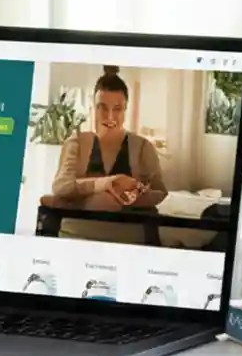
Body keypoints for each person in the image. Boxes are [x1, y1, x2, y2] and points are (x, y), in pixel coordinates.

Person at [48, 66, 168, 243]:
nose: (110, 116)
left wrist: (122, 199)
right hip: (76, 236)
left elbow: (159, 192)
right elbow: (61, 187)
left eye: (117, 108)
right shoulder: (77, 142)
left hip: (128, 240)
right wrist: (105, 184)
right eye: (102, 107)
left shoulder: (143, 147)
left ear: (125, 109)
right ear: (93, 107)